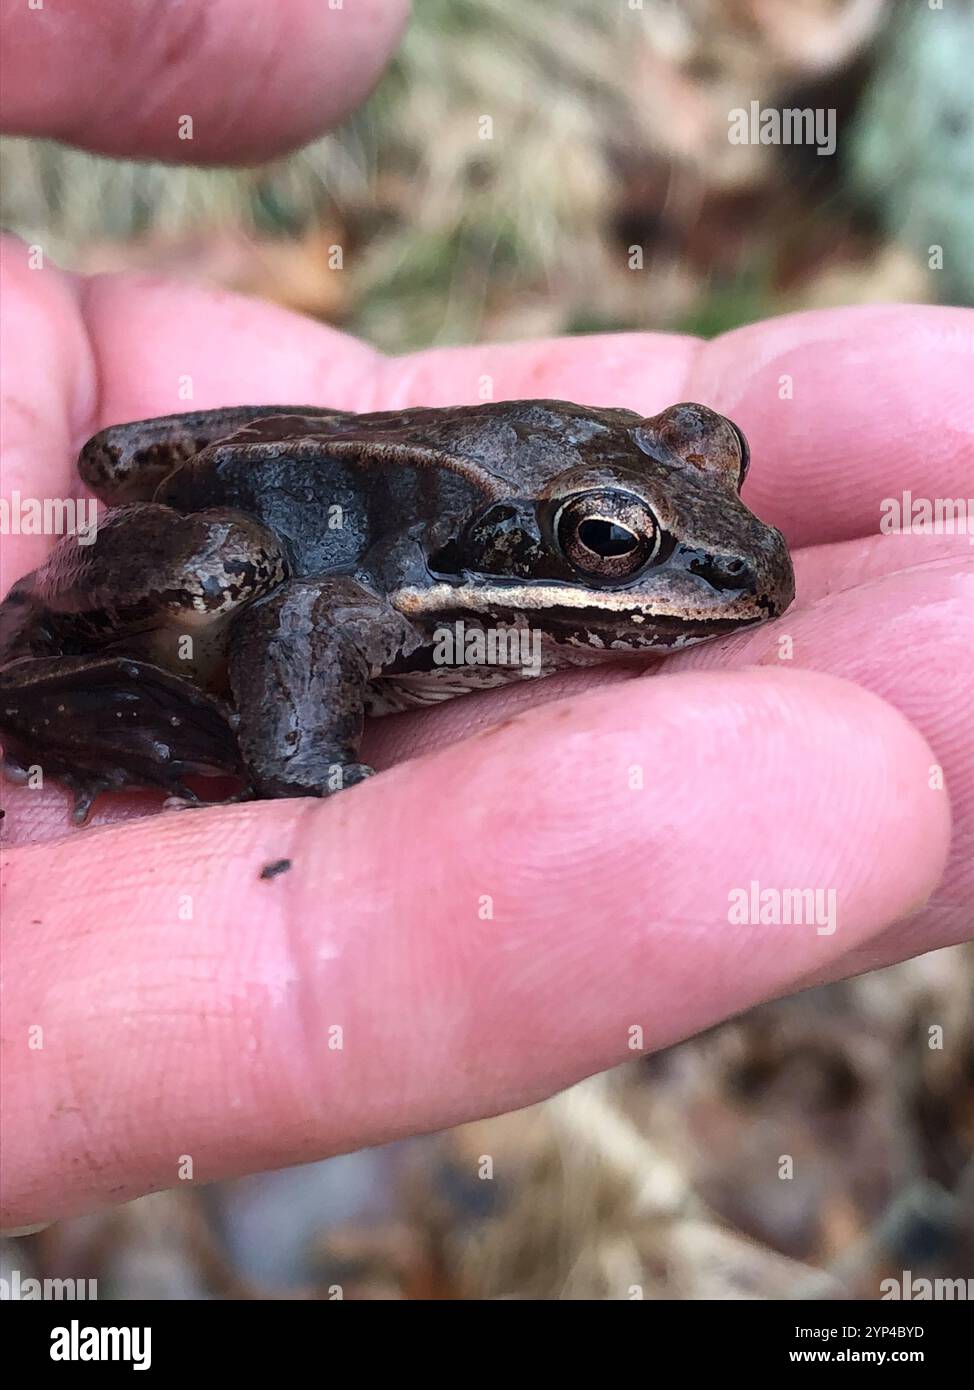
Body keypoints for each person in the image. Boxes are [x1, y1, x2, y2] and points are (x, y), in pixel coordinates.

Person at [1, 0, 970, 1232]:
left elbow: (669, 473)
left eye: (699, 475)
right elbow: (316, 620)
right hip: (238, 525)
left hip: (358, 464)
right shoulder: (399, 600)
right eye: (612, 547)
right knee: (235, 569)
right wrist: (303, 773)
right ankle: (39, 675)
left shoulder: (629, 514)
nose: (721, 565)